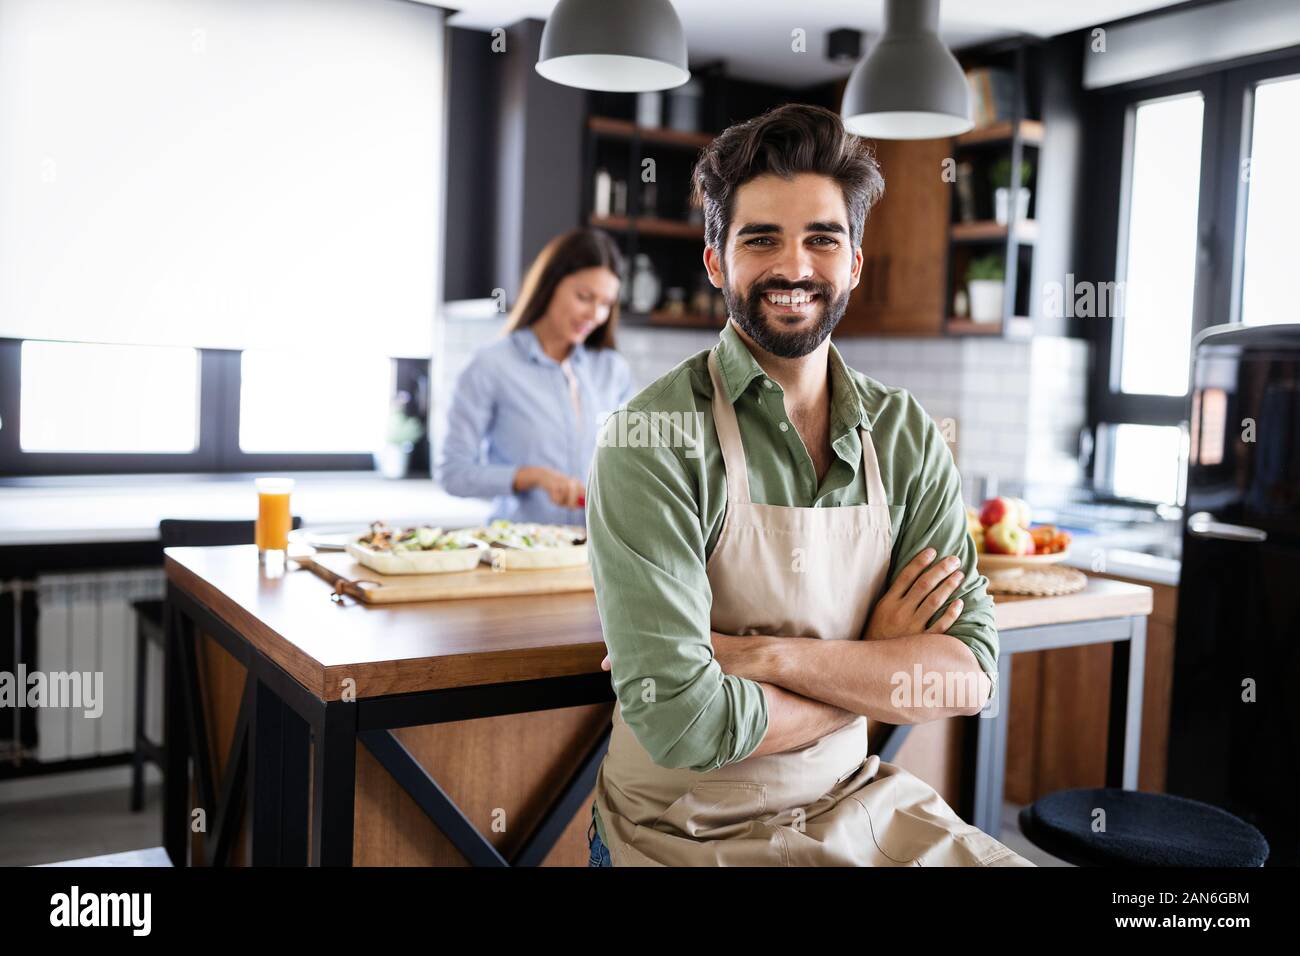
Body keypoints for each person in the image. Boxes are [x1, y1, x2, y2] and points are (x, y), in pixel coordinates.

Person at [584, 103, 1034, 866]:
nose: (795, 268)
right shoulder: (648, 439)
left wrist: (761, 657)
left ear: (854, 262)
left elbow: (966, 677)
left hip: (857, 805)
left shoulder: (906, 434)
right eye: (762, 239)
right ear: (717, 261)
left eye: (822, 239)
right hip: (681, 836)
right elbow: (683, 721)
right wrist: (874, 664)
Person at [438, 229, 634, 526]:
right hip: (517, 554)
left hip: (594, 554)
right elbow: (453, 473)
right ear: (550, 284)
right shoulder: (491, 365)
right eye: (584, 297)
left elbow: (632, 462)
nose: (595, 314)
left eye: (606, 303)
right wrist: (530, 477)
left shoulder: (612, 371)